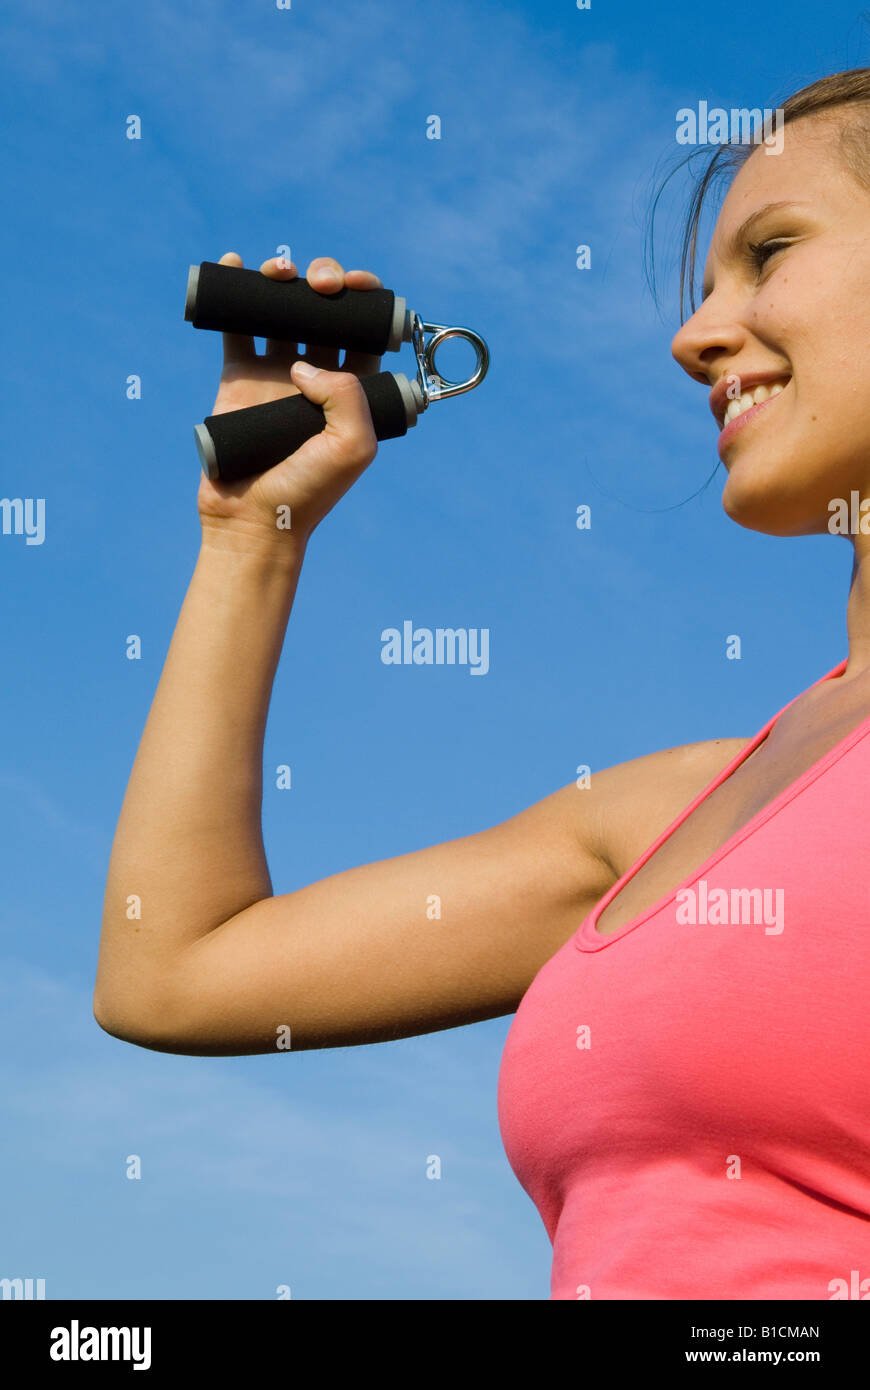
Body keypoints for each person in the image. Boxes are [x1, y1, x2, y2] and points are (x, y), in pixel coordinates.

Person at [94, 68, 870, 1299]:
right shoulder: (665, 818)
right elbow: (174, 971)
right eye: (702, 285)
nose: (691, 337)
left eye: (770, 252)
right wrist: (252, 543)